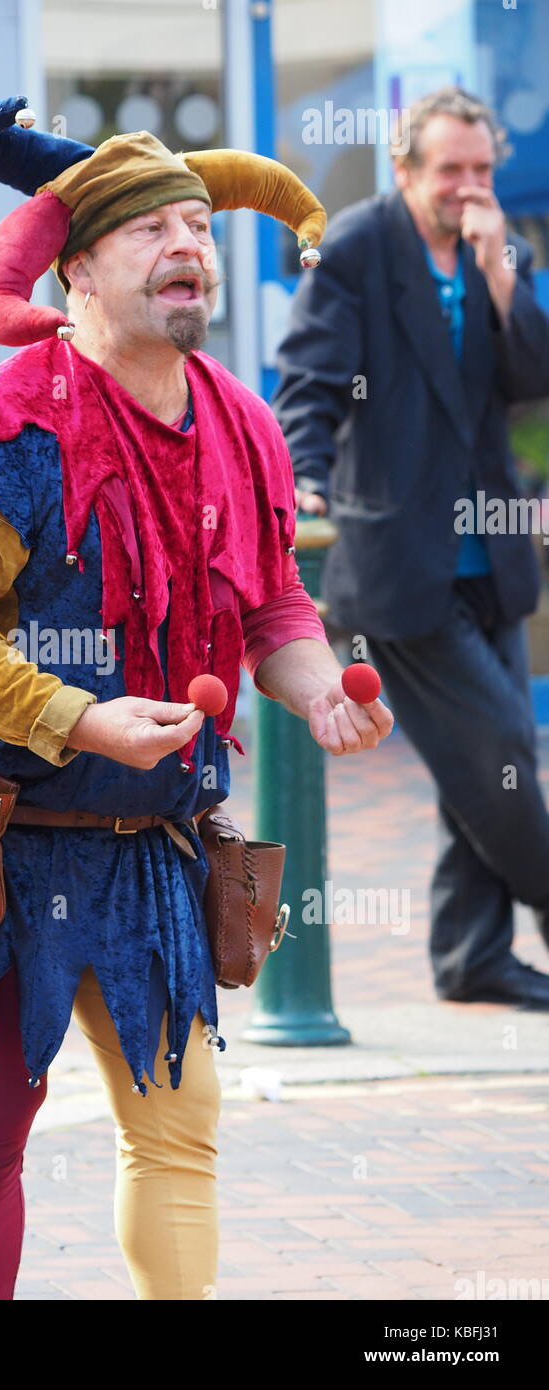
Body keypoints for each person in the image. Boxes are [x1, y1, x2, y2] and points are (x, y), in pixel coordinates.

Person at [0, 95, 393, 1302]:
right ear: (75, 267)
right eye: (152, 231)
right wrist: (78, 719)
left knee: (179, 1136)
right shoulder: (8, 425)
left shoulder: (245, 423)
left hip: (156, 848)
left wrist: (320, 687)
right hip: (5, 842)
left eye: (202, 226)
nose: (190, 247)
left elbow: (271, 597)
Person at [272, 87, 549, 1010]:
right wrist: (303, 476)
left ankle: (472, 957)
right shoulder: (358, 247)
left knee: (485, 770)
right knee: (502, 744)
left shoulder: (494, 248)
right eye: (450, 171)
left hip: (491, 555)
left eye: (482, 170)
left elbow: (530, 380)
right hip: (398, 561)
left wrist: (504, 277)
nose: (470, 188)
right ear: (404, 170)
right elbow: (309, 376)